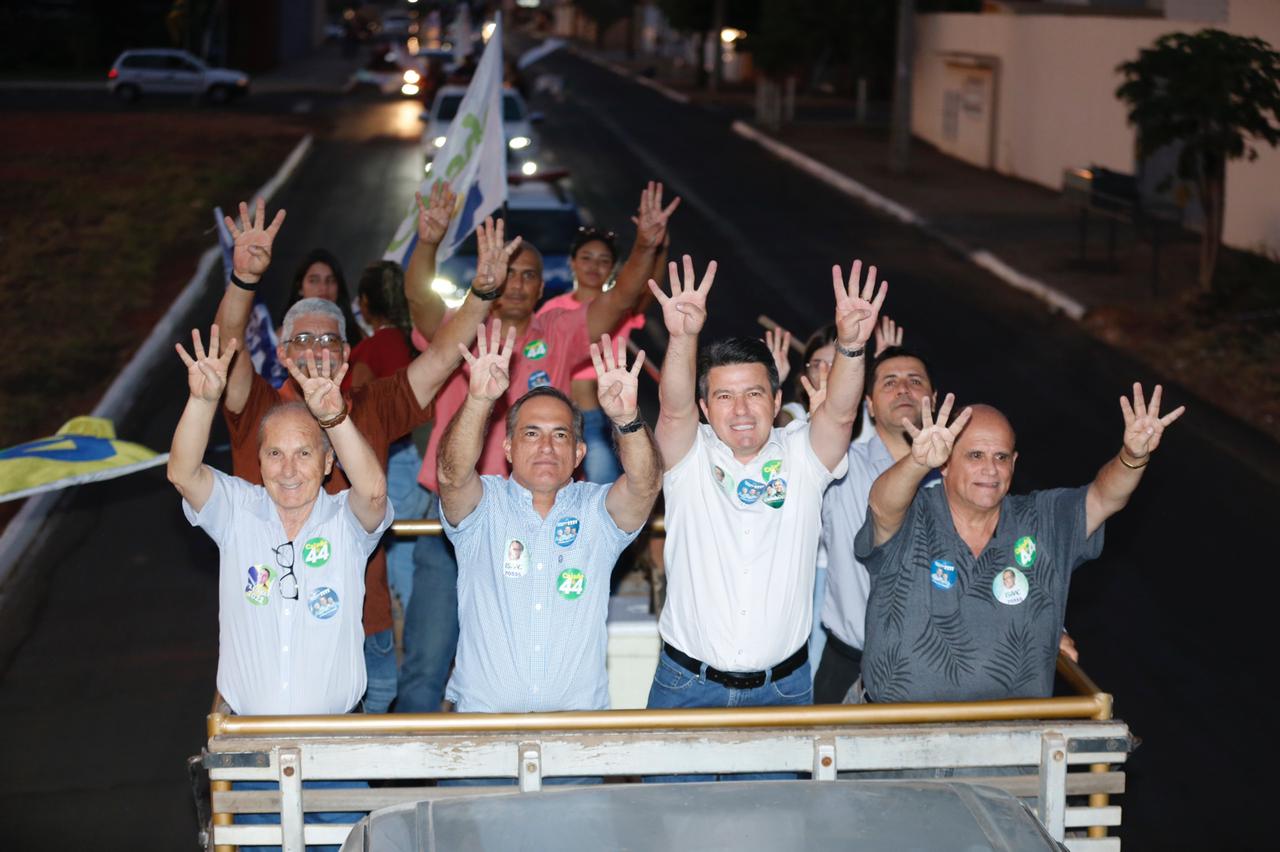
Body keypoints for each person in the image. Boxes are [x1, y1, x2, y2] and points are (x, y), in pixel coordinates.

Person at [212, 199, 519, 714]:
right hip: (269, 644)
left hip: (364, 631)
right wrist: (244, 279)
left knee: (351, 788)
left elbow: (443, 357)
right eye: (301, 340)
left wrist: (483, 292)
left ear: (345, 353)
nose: (315, 350)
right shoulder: (258, 408)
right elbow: (225, 347)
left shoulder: (372, 406)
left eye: (328, 340)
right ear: (284, 353)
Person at [396, 180, 679, 714]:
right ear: (490, 277)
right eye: (509, 273)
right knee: (429, 662)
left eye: (529, 274)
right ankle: (422, 782)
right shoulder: (463, 329)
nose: (519, 284)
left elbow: (619, 300)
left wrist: (644, 246)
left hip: (547, 517)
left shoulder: (558, 330)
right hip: (463, 517)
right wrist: (428, 242)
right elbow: (415, 298)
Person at [645, 255, 886, 767]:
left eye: (754, 394)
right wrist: (684, 338)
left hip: (782, 694)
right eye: (724, 396)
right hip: (686, 686)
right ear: (706, 408)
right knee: (668, 833)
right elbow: (672, 409)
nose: (739, 409)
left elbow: (841, 412)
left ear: (776, 400)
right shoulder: (688, 456)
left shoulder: (802, 455)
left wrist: (851, 344)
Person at [169, 326, 392, 851]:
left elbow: (376, 490)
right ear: (259, 461)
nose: (289, 469)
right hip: (251, 749)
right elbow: (183, 472)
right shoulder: (236, 510)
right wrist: (203, 400)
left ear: (328, 462)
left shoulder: (346, 521)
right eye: (275, 455)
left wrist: (334, 417)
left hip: (336, 749)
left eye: (304, 454)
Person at [856, 385, 1184, 703]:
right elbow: (881, 506)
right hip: (896, 739)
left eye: (1001, 457)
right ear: (944, 463)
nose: (990, 468)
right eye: (975, 455)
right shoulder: (913, 514)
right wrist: (917, 462)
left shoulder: (1042, 519)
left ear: (1014, 462)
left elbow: (1104, 497)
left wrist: (1132, 455)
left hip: (1011, 743)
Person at [435, 324, 661, 712]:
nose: (545, 447)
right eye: (531, 434)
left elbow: (645, 484)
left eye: (560, 436)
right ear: (506, 448)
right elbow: (451, 474)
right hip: (481, 733)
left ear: (578, 454)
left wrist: (626, 417)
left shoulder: (597, 511)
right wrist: (478, 400)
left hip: (575, 738)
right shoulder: (483, 506)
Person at [812, 344, 938, 704]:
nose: (903, 390)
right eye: (889, 382)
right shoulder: (840, 468)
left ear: (935, 397)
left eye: (915, 381)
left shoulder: (961, 475)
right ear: (869, 405)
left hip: (935, 667)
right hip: (847, 665)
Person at [536, 225, 668, 484]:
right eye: (586, 258)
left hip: (603, 417)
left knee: (602, 485)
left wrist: (659, 248)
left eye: (603, 260)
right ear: (572, 262)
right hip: (558, 416)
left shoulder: (621, 309)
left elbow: (650, 289)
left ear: (613, 268)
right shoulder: (553, 309)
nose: (593, 266)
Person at [343, 260, 430, 632]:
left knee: (397, 559)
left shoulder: (371, 350)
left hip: (390, 464)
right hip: (421, 458)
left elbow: (357, 411)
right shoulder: (415, 343)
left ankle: (410, 638)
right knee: (416, 552)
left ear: (364, 302)